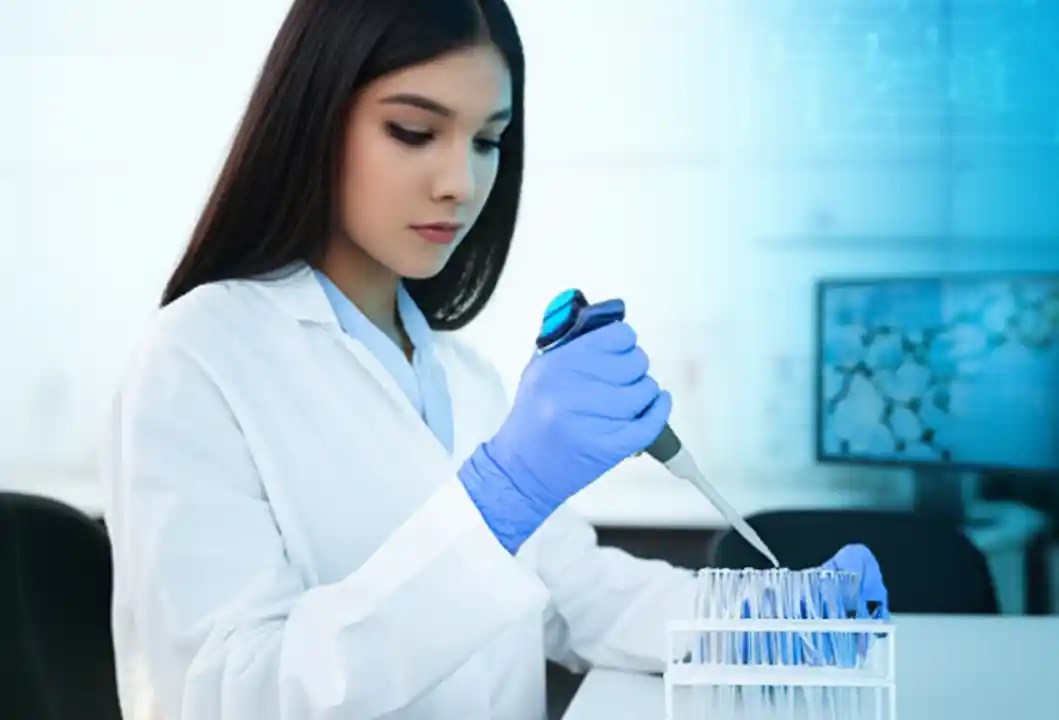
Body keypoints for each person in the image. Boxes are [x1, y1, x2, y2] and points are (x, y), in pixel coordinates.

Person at [101, 1, 889, 718]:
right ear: (313, 120)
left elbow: (574, 594)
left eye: (487, 141)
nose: (461, 182)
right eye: (413, 132)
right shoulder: (196, 360)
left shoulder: (461, 376)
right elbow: (227, 695)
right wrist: (498, 499)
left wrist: (769, 621)